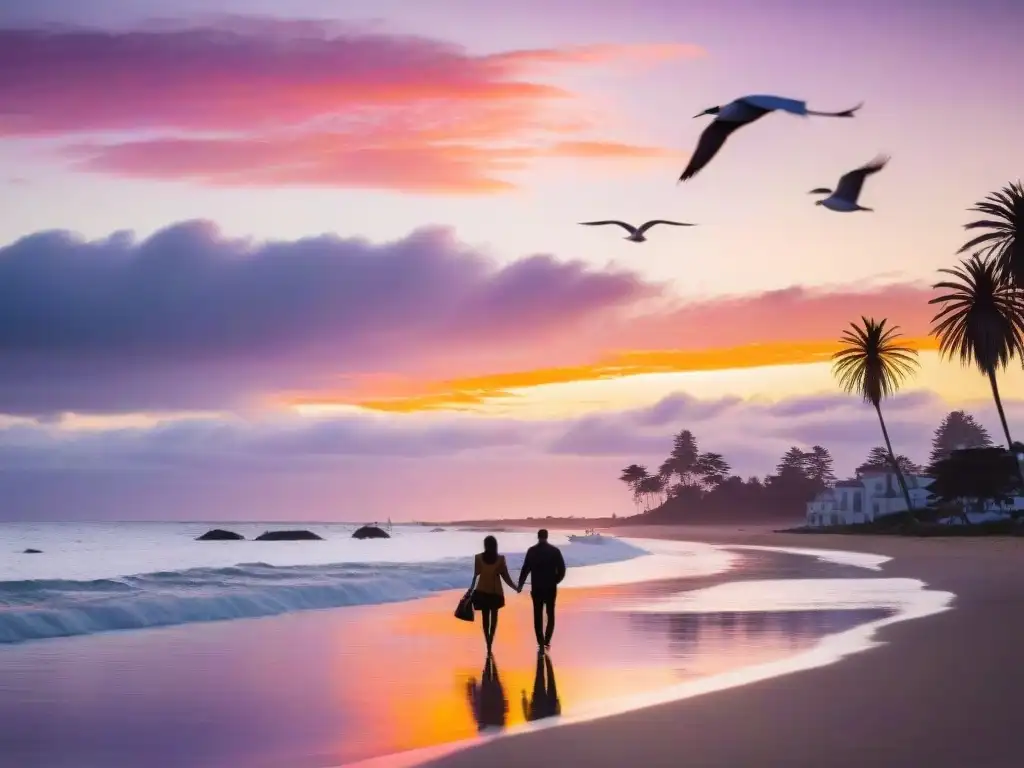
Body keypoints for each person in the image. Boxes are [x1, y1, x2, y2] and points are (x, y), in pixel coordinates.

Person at [517, 529, 566, 650]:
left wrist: (520, 585)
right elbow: (562, 570)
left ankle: (540, 641)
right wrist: (555, 581)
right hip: (550, 588)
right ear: (547, 536)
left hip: (537, 588)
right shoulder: (554, 551)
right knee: (550, 614)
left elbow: (525, 569)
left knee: (537, 615)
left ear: (538, 537)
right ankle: (547, 641)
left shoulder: (532, 551)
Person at [470, 535, 519, 654]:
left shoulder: (478, 558)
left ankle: (487, 642)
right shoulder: (500, 559)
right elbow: (505, 576)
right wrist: (515, 587)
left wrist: (471, 589)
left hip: (482, 591)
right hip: (495, 592)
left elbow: (476, 575)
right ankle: (491, 640)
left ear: (485, 545)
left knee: (485, 619)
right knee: (494, 618)